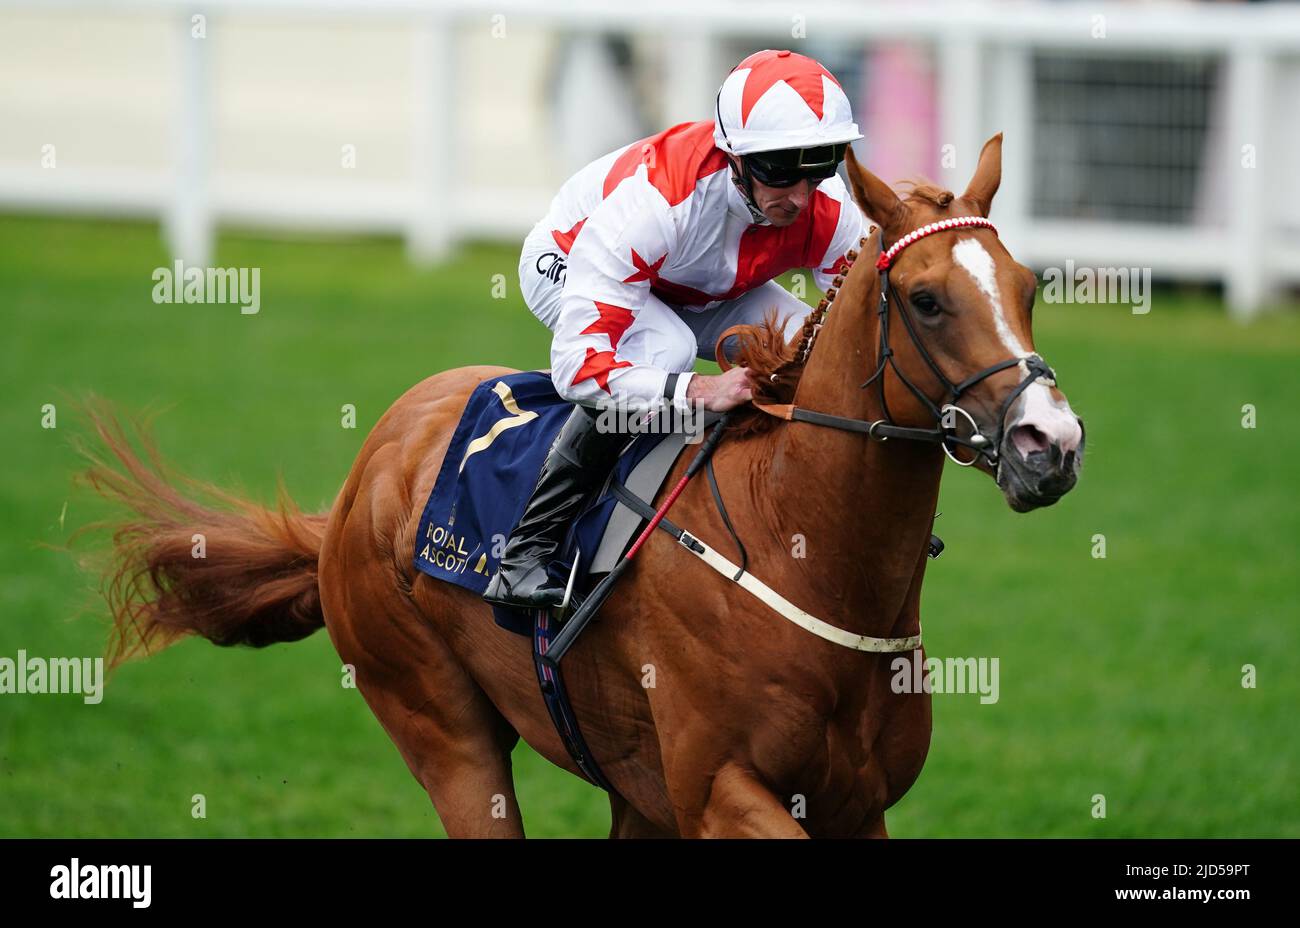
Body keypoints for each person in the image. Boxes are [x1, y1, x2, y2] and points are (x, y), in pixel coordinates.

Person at [482, 49, 870, 610]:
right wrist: (699, 390)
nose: (801, 197)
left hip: (693, 285)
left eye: (821, 166)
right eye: (780, 171)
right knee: (668, 347)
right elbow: (578, 367)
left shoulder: (826, 208)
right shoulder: (657, 202)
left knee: (808, 349)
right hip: (569, 256)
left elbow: (860, 329)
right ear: (735, 157)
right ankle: (525, 550)